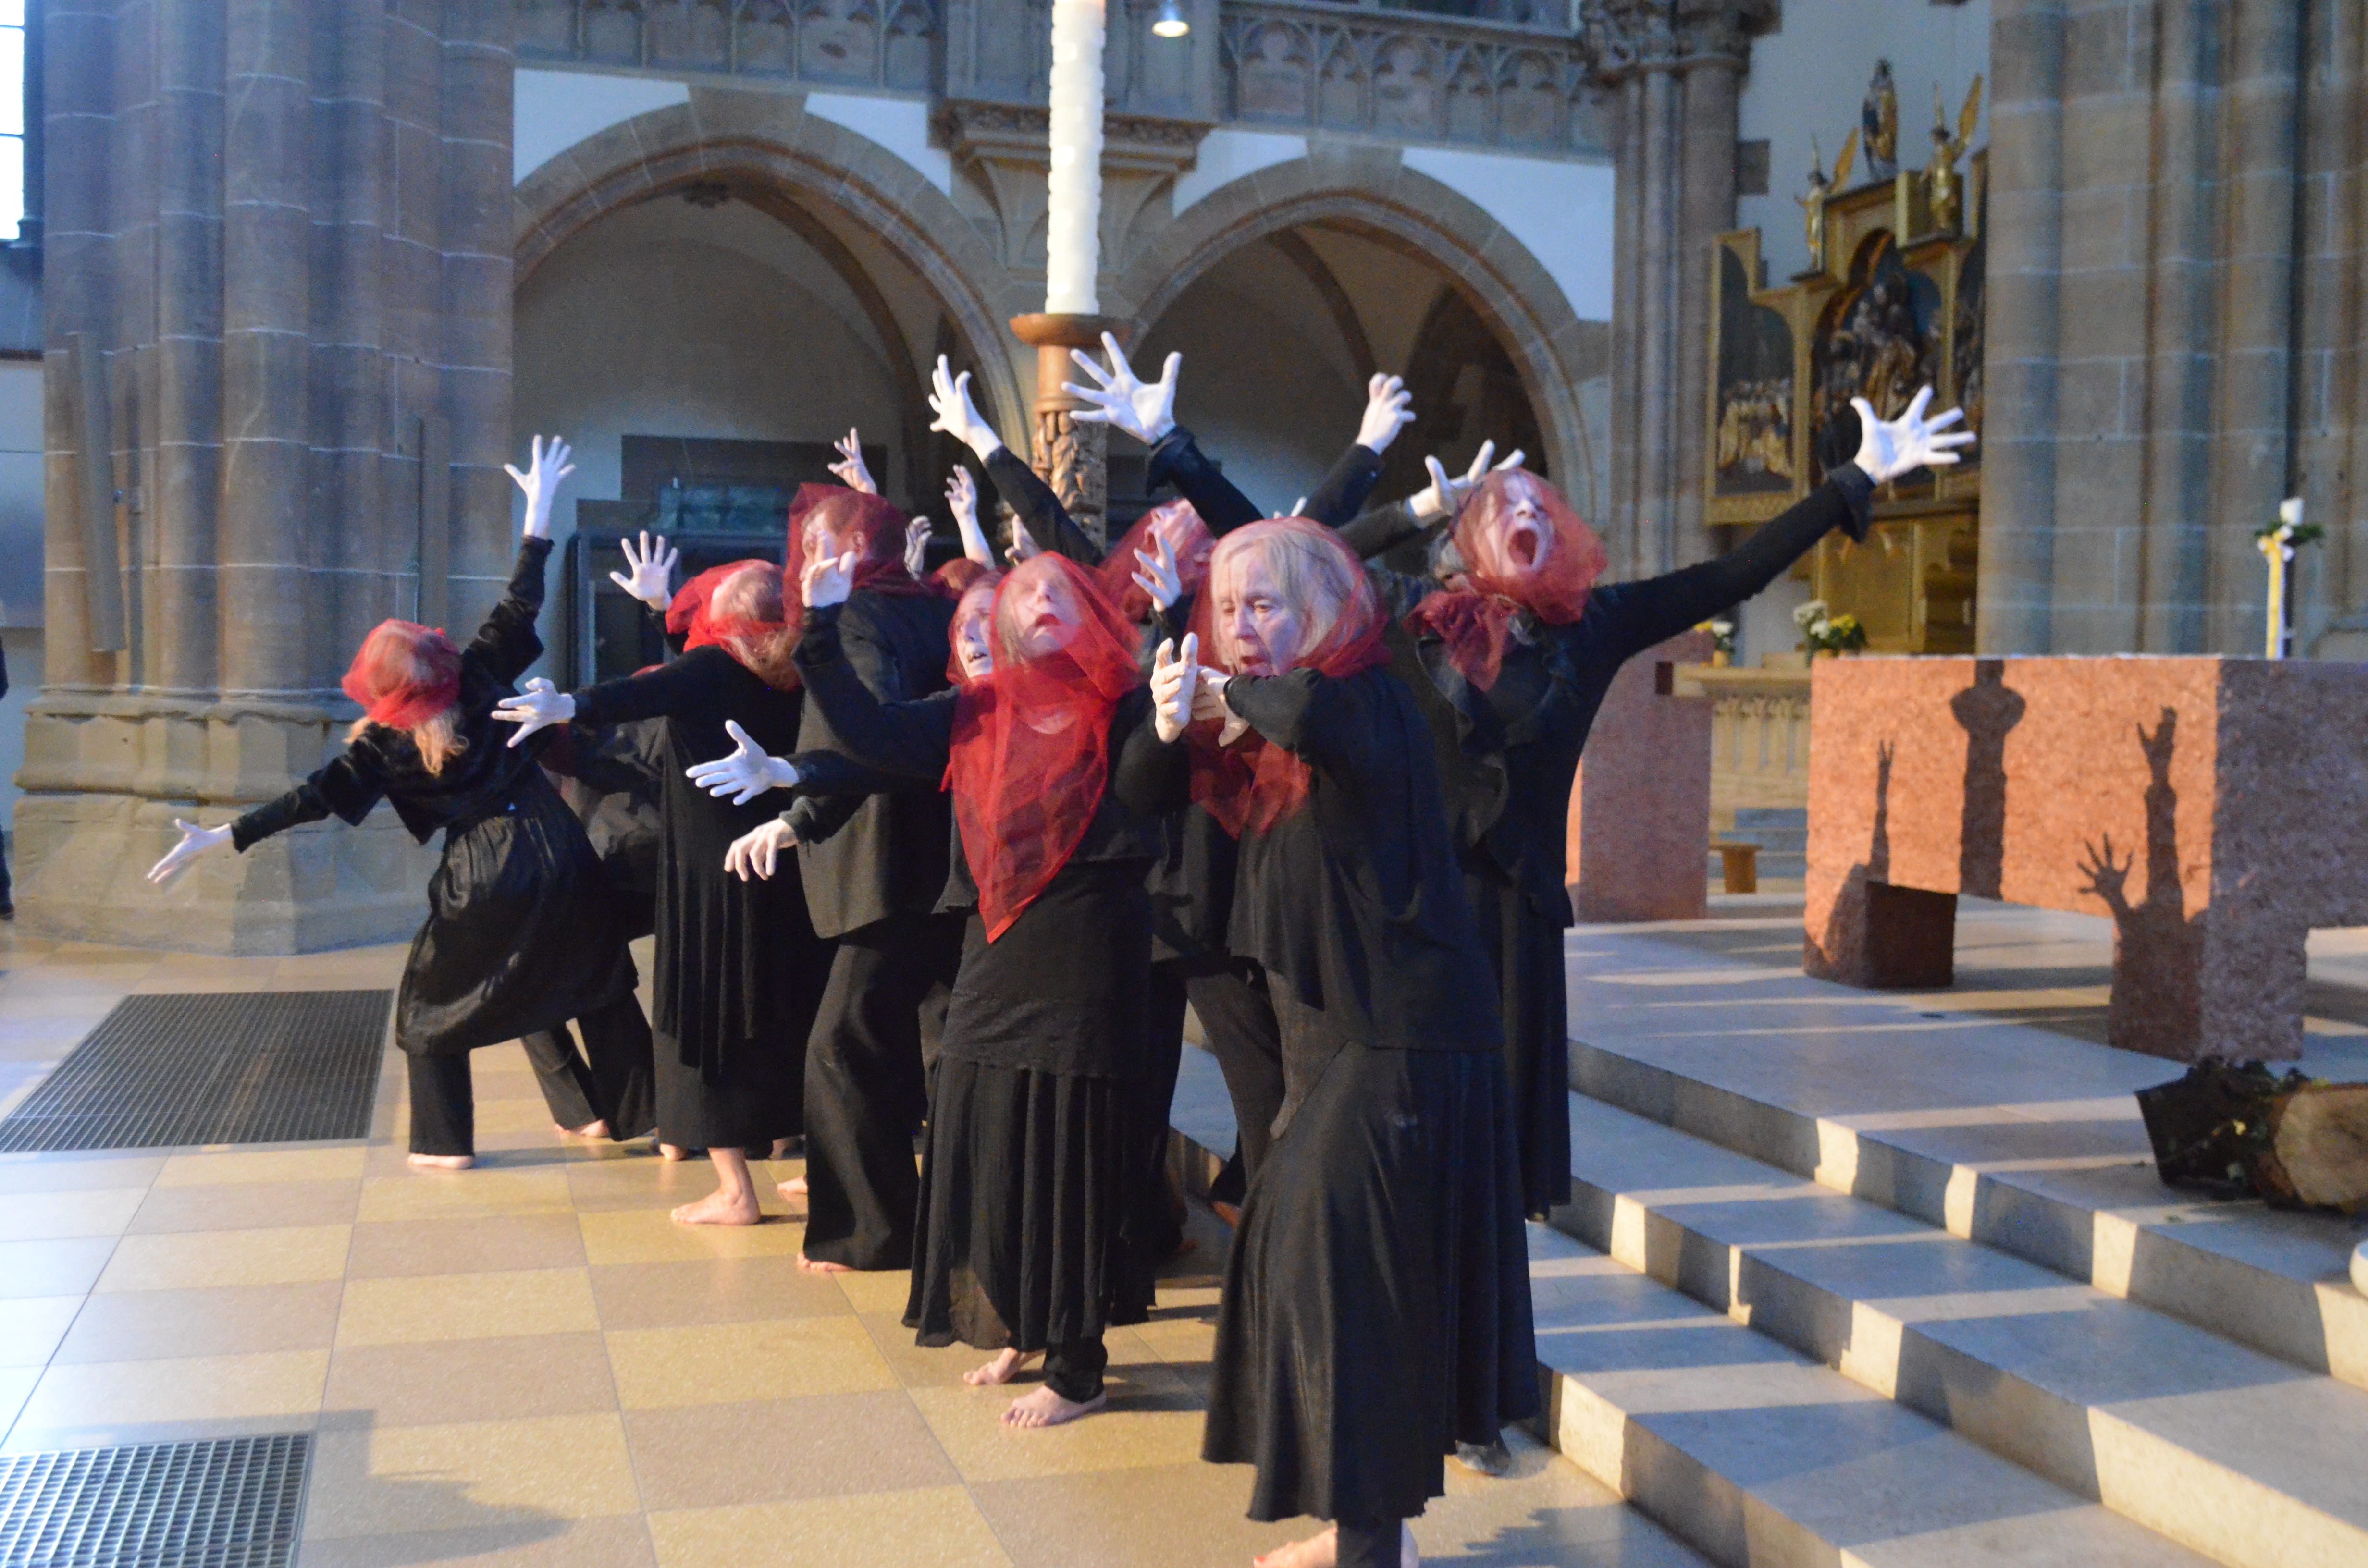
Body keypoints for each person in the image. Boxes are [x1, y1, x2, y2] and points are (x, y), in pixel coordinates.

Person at [695, 543, 1175, 1428]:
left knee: (1066, 1153)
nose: (1034, 605)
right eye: (1020, 595)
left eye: (1055, 595)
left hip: (1085, 957)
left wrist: (1175, 645)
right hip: (995, 953)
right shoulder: (973, 709)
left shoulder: (1121, 707)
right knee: (987, 1136)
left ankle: (1079, 1366)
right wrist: (824, 626)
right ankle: (1023, 1318)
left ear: (1092, 619)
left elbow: (1153, 785)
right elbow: (868, 736)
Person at [1136, 518, 1533, 1568]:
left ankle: (1369, 1547)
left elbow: (1316, 713)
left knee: (1341, 1283)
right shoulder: (1273, 734)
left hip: (1404, 1044)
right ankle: (1362, 1523)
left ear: (1322, 607)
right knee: (1329, 1283)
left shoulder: (1368, 693)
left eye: (1262, 604)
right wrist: (1171, 725)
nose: (1238, 628)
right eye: (1225, 608)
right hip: (1333, 1051)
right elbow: (1139, 791)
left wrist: (1225, 697)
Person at [145, 438, 655, 1169]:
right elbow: (522, 598)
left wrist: (226, 835)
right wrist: (539, 508)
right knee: (591, 975)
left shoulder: (381, 746)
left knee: (429, 1006)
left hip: (487, 868)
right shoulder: (480, 675)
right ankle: (641, 1117)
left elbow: (310, 799)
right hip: (558, 842)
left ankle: (446, 1145)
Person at [494, 551, 859, 1226]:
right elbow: (690, 681)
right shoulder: (803, 670)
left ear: (734, 632)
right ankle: (816, 1167)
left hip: (710, 880)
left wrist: (566, 705)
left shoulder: (712, 670)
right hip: (785, 868)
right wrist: (660, 616)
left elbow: (643, 693)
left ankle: (735, 1194)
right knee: (789, 1014)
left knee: (702, 1024)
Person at [772, 486, 964, 1274]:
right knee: (926, 1041)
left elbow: (872, 731)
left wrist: (798, 808)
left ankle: (872, 1230)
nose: (810, 559)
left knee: (842, 1047)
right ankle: (930, 1214)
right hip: (936, 853)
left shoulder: (855, 618)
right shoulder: (925, 608)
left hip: (883, 852)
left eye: (823, 544)